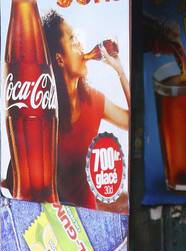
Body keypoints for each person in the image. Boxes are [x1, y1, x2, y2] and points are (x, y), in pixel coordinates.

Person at [41, 11, 129, 210]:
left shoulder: (92, 100)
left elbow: (131, 122)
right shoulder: (43, 113)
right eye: (72, 40)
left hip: (90, 225)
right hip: (53, 224)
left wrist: (120, 71)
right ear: (59, 59)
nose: (80, 45)